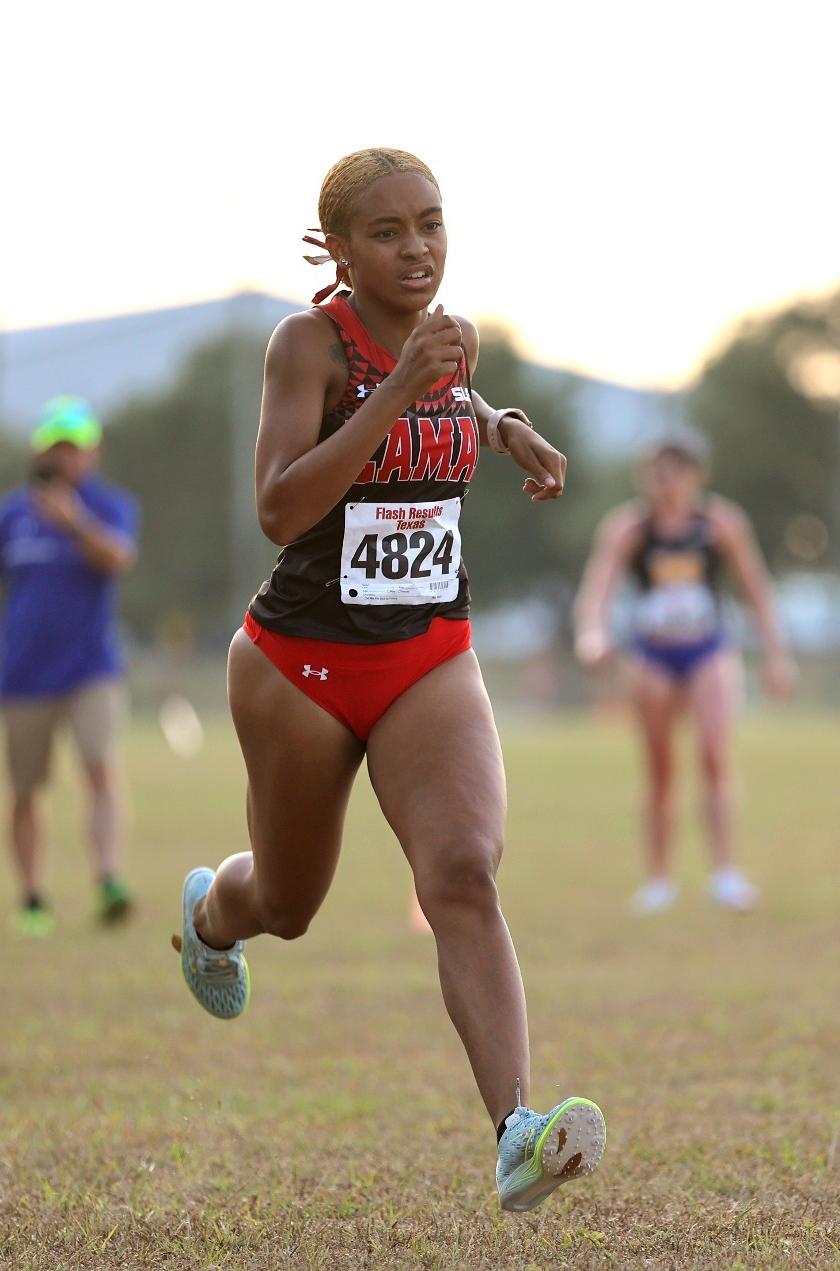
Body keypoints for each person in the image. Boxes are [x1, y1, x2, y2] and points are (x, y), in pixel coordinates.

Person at [173, 148, 605, 1213]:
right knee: (288, 901)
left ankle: (514, 1129)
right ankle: (209, 916)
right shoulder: (305, 346)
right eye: (386, 233)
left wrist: (498, 428)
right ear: (337, 247)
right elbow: (278, 509)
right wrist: (401, 392)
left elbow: (446, 398)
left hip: (424, 655)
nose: (416, 250)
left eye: (430, 224)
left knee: (460, 870)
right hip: (301, 668)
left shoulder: (443, 338)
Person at [0, 397, 139, 937]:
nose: (65, 458)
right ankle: (31, 897)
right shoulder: (12, 515)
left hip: (91, 668)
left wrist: (75, 523)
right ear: (39, 452)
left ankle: (109, 877)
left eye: (74, 447)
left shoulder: (107, 506)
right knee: (24, 789)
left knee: (100, 766)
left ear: (91, 453)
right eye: (55, 447)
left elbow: (118, 558)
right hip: (23, 674)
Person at [573, 435, 795, 915]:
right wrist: (592, 634)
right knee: (659, 769)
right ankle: (658, 881)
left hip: (708, 649)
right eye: (655, 469)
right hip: (653, 654)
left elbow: (755, 589)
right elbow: (598, 589)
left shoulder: (719, 524)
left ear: (694, 474)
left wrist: (777, 654)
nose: (663, 479)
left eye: (672, 469)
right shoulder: (630, 528)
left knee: (714, 753)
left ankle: (725, 874)